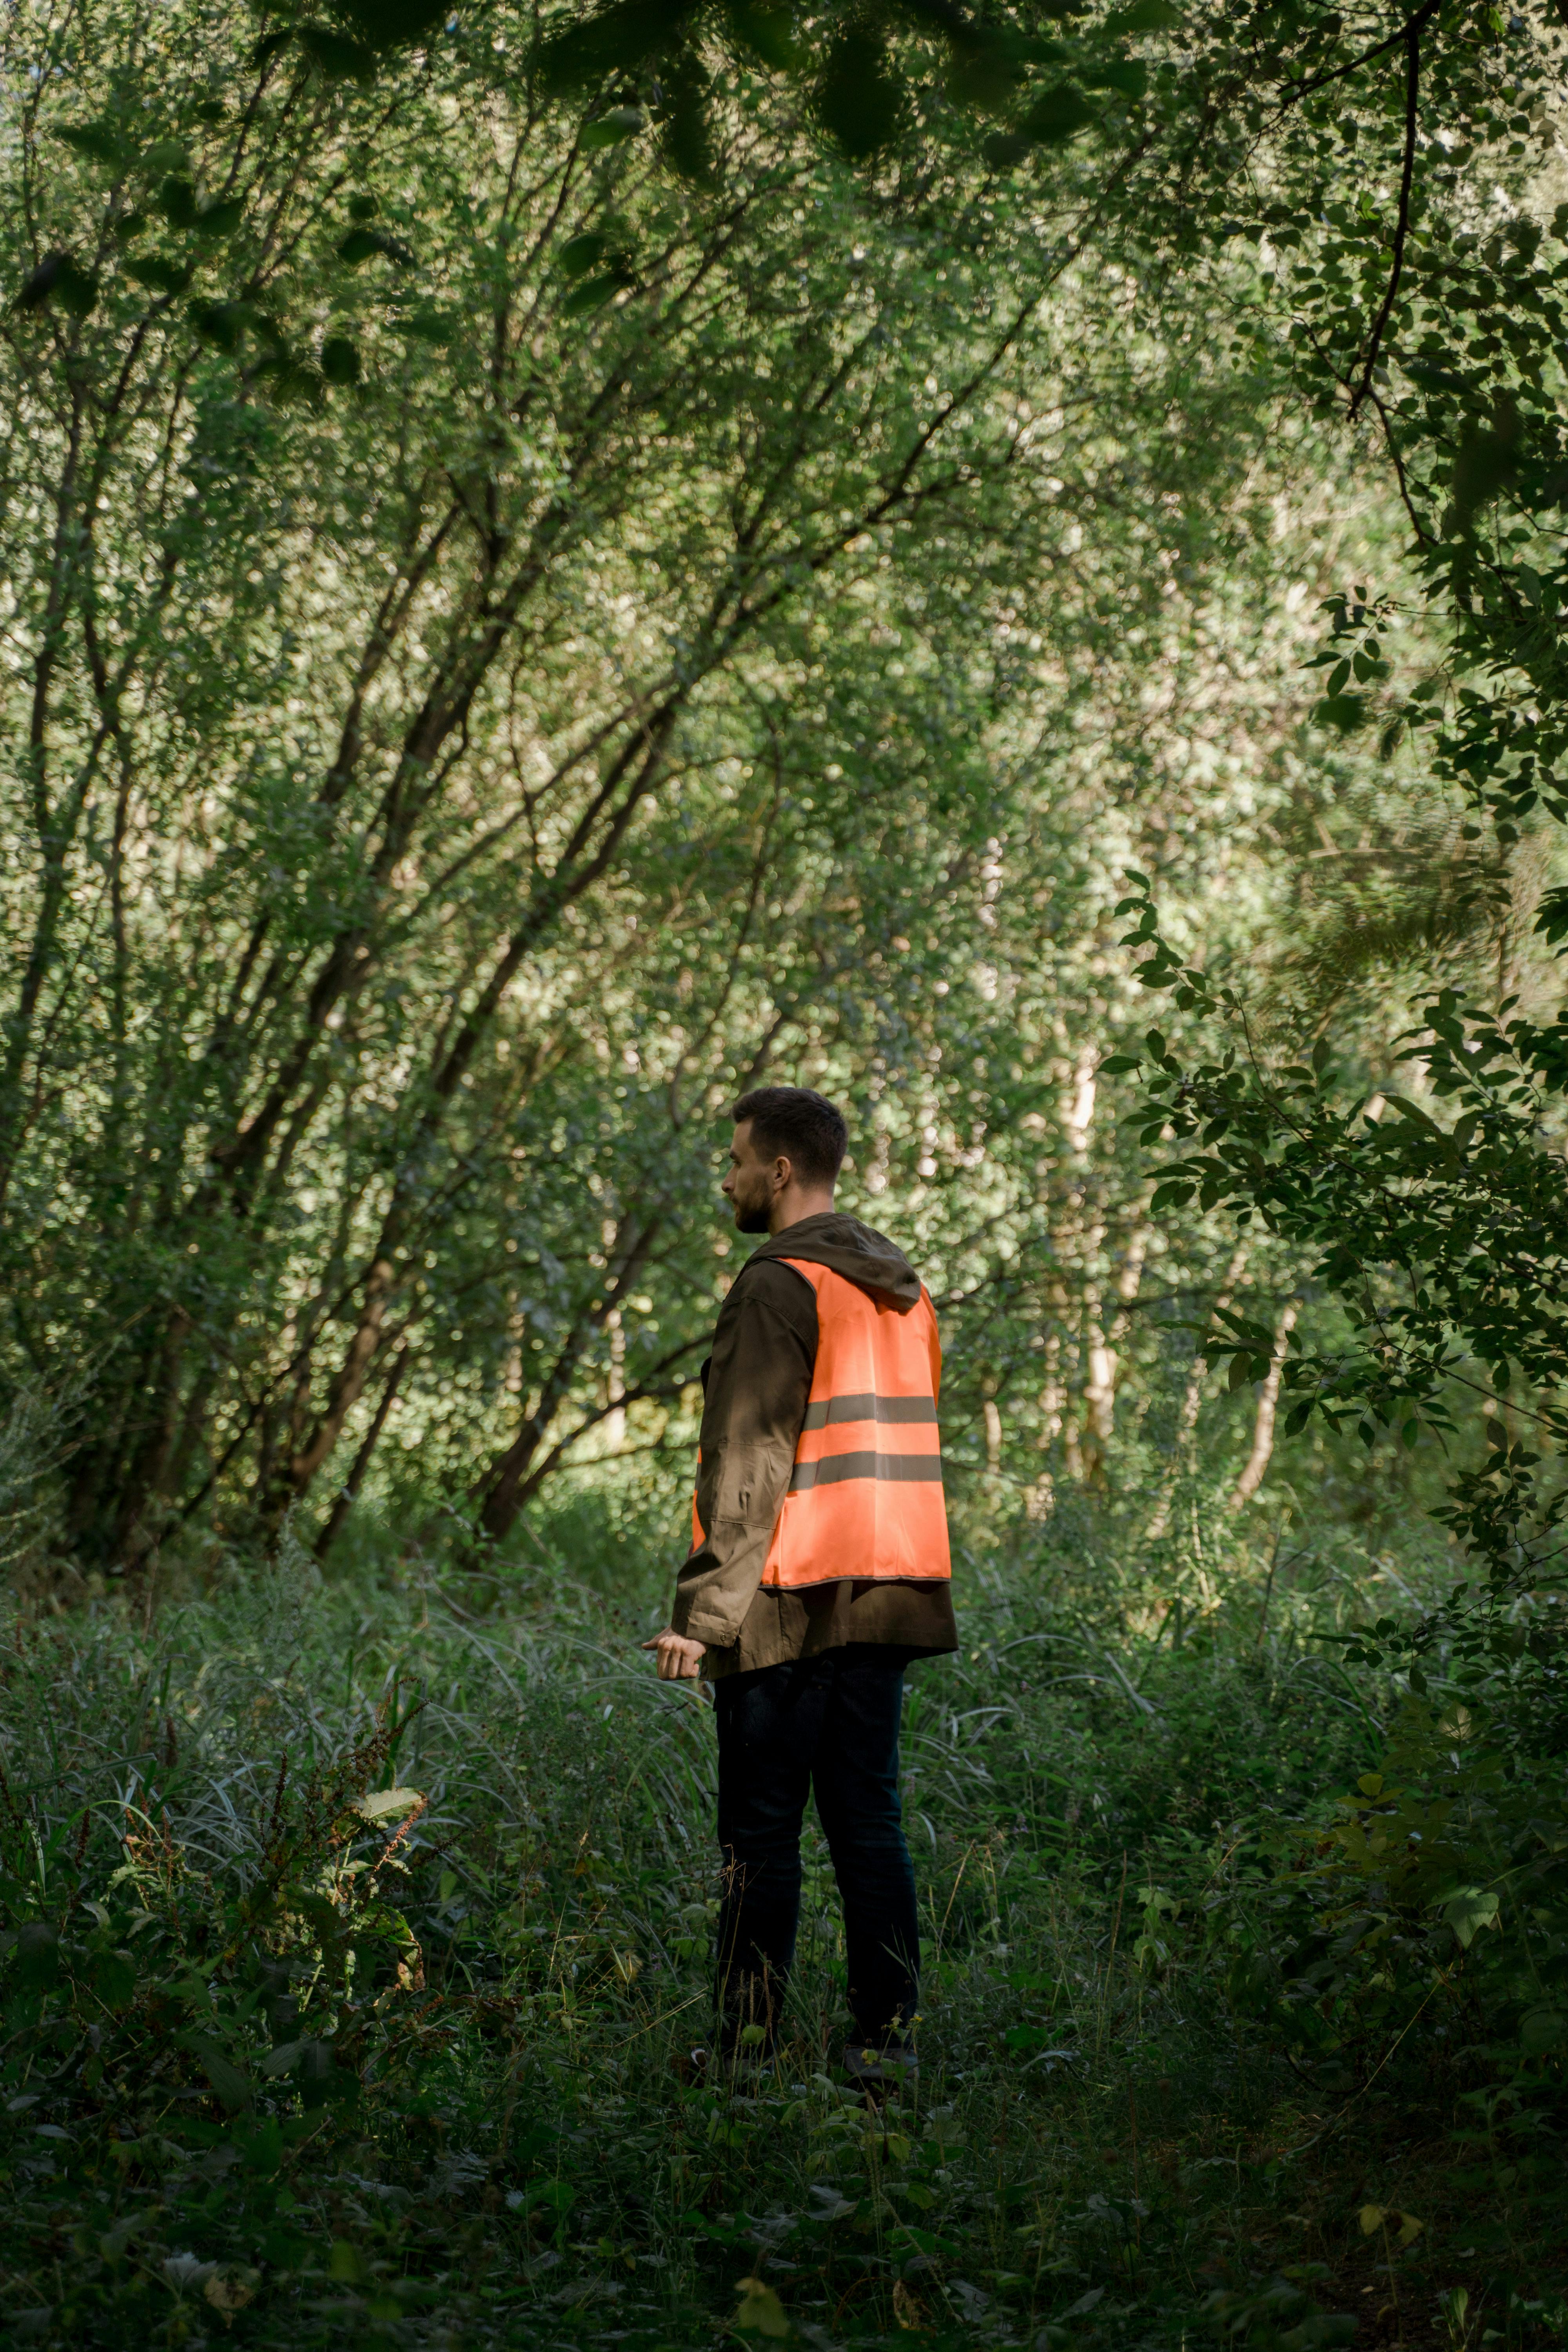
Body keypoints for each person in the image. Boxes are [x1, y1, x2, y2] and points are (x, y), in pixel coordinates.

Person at [643, 1085, 957, 2087]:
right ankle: (885, 2046)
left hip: (787, 1596)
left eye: (735, 1159)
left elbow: (749, 1461)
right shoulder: (895, 1286)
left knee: (760, 1835)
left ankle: (745, 2052)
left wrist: (703, 1615)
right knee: (867, 1820)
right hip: (890, 1586)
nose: (727, 1177)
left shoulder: (779, 1283)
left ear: (780, 1172)